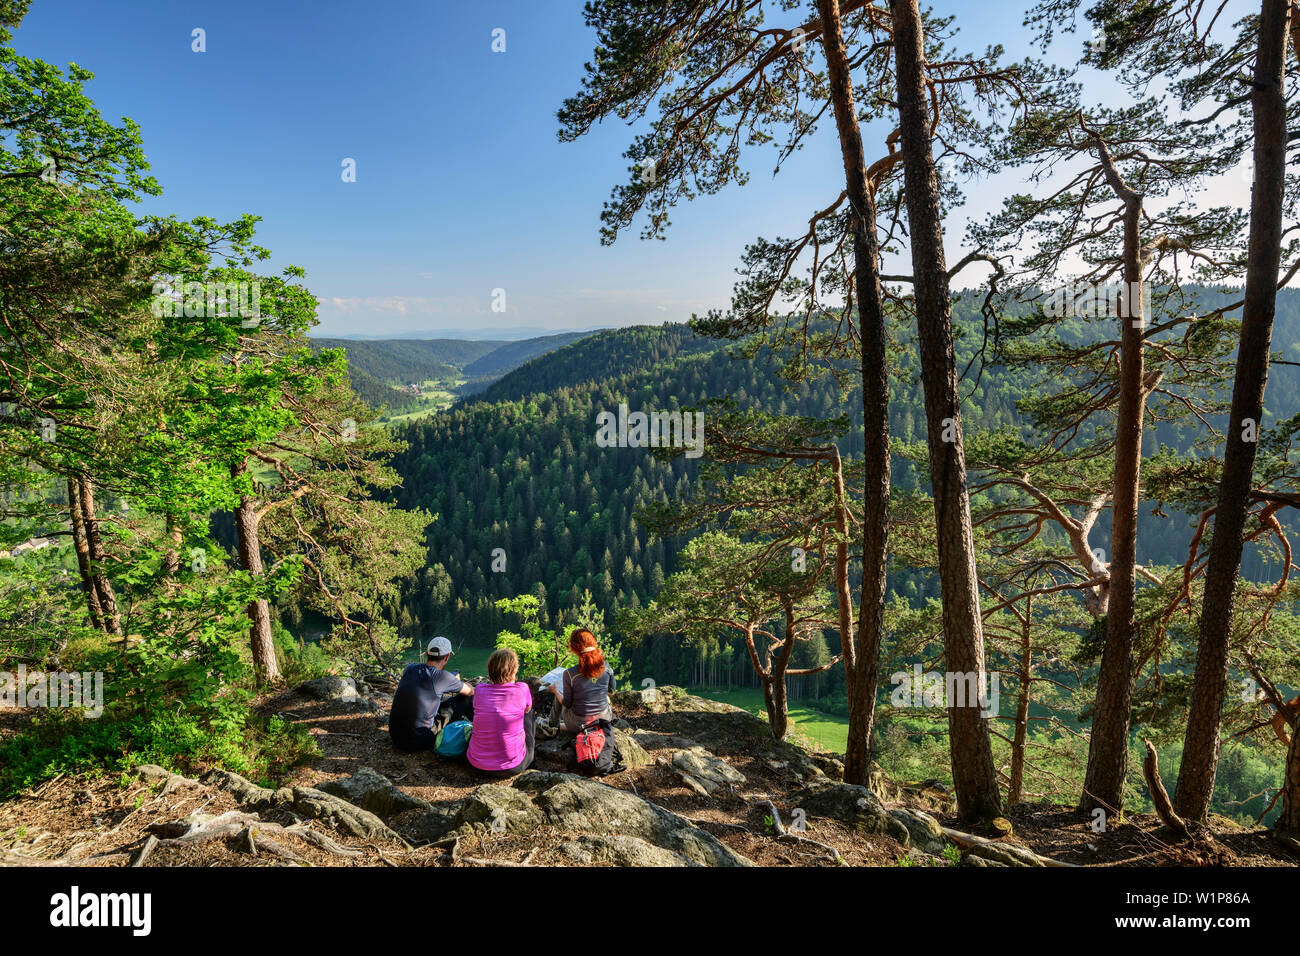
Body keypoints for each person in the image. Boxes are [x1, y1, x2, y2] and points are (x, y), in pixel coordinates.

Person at [388, 636, 474, 751]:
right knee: (465, 699)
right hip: (418, 741)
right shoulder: (443, 677)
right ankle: (480, 736)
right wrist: (456, 682)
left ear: (427, 654)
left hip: (396, 736)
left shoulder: (410, 668)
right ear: (447, 657)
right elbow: (470, 691)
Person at [467, 647, 536, 778]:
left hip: (476, 763)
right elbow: (527, 708)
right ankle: (532, 761)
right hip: (513, 767)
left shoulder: (480, 690)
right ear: (514, 670)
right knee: (529, 712)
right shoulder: (522, 689)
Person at [554, 628, 616, 731]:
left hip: (578, 724)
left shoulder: (569, 674)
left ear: (574, 648)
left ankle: (552, 725)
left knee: (559, 691)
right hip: (604, 720)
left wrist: (555, 691)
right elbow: (612, 691)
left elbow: (567, 704)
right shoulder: (607, 668)